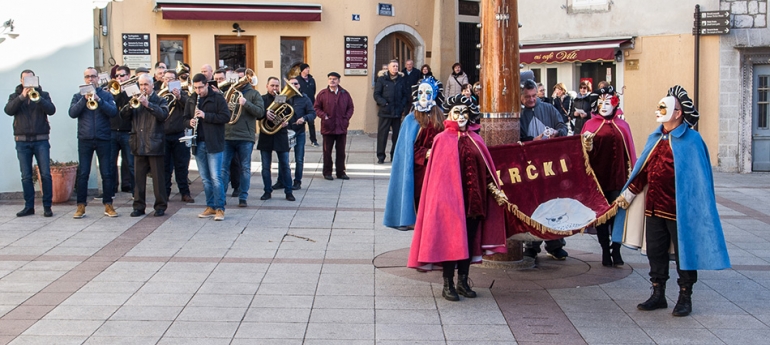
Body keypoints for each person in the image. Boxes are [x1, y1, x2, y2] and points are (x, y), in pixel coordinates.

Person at [614, 86, 730, 317]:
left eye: (664, 107)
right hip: (654, 208)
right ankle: (658, 294)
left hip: (681, 212)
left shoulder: (692, 140)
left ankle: (685, 296)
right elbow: (645, 171)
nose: (659, 111)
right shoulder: (655, 137)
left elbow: (698, 180)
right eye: (658, 107)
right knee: (655, 252)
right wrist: (628, 194)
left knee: (685, 253)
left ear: (678, 113)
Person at [407, 95, 507, 301]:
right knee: (451, 243)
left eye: (465, 112)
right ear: (450, 114)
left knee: (469, 243)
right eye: (457, 112)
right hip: (449, 205)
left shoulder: (476, 139)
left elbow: (485, 171)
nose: (461, 116)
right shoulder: (441, 140)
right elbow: (437, 177)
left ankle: (463, 281)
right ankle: (448, 284)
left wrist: (495, 191)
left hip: (474, 203)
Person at [581, 85, 636, 267]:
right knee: (602, 216)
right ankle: (605, 250)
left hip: (619, 178)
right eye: (600, 102)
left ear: (615, 104)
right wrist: (586, 146)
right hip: (599, 179)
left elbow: (631, 152)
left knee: (619, 215)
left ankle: (616, 249)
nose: (603, 106)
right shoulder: (589, 125)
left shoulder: (623, 126)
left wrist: (634, 175)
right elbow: (582, 154)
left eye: (607, 102)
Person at [384, 76, 445, 230]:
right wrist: (425, 153)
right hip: (418, 167)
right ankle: (410, 218)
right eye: (421, 92)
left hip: (438, 165)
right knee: (417, 193)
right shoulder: (411, 119)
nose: (424, 95)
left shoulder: (441, 117)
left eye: (428, 92)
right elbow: (406, 148)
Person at [519, 79, 569, 259]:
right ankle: (532, 244)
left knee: (553, 203)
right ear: (521, 96)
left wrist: (556, 133)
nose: (532, 100)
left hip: (551, 164)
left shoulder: (548, 108)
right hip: (531, 167)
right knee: (533, 205)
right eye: (527, 97)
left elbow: (563, 127)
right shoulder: (518, 114)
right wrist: (533, 142)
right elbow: (516, 140)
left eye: (534, 96)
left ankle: (555, 243)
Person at [68, 67, 119, 218]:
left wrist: (99, 100)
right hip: (85, 139)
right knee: (83, 173)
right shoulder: (77, 96)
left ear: (98, 78)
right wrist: (84, 100)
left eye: (93, 76)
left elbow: (113, 112)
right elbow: (72, 113)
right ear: (84, 79)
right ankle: (81, 206)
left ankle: (108, 205)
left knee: (107, 173)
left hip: (104, 138)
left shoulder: (106, 95)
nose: (90, 79)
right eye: (87, 77)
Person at [5, 69, 56, 217]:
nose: (28, 82)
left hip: (41, 140)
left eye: (31, 79)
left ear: (36, 80)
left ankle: (47, 206)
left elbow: (52, 110)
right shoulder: (15, 96)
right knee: (26, 176)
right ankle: (29, 206)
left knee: (45, 174)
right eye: (25, 79)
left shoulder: (43, 95)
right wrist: (22, 96)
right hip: (22, 141)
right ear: (21, 81)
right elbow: (8, 110)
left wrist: (39, 98)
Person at [121, 74, 169, 217]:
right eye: (141, 85)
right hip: (138, 143)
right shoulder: (134, 99)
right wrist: (130, 105)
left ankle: (160, 206)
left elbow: (163, 115)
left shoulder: (160, 100)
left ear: (152, 85)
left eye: (146, 85)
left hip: (154, 143)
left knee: (158, 179)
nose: (143, 88)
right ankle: (138, 206)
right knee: (138, 179)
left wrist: (148, 105)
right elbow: (123, 116)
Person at [187, 73, 231, 221]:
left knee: (216, 177)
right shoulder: (192, 98)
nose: (198, 91)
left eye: (200, 87)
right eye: (196, 88)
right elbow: (184, 118)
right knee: (205, 179)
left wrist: (206, 116)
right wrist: (189, 122)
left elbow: (226, 117)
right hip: (198, 142)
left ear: (206, 85)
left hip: (214, 143)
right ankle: (210, 206)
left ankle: (220, 208)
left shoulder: (217, 98)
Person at [222, 72, 264, 207]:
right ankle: (221, 196)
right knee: (223, 168)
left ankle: (243, 197)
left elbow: (260, 113)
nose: (241, 80)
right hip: (227, 135)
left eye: (243, 77)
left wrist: (246, 104)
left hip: (245, 137)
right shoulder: (229, 92)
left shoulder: (254, 94)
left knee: (245, 168)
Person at [160, 69, 194, 203]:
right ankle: (165, 193)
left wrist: (179, 96)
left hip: (180, 134)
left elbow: (189, 107)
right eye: (166, 78)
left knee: (182, 166)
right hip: (163, 135)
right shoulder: (159, 94)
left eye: (171, 79)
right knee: (165, 167)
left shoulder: (184, 93)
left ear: (176, 81)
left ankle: (185, 192)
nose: (168, 81)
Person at [259, 77, 294, 201]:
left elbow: (290, 115)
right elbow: (257, 114)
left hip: (280, 136)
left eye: (277, 86)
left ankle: (289, 191)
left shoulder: (282, 98)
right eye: (272, 85)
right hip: (266, 136)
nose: (274, 88)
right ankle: (267, 191)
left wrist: (285, 123)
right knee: (265, 167)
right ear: (267, 86)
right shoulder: (262, 99)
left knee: (285, 165)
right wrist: (265, 114)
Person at [315, 72, 354, 180]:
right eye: (330, 79)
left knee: (341, 152)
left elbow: (350, 107)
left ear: (338, 81)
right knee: (327, 151)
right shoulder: (322, 94)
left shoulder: (345, 94)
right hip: (328, 127)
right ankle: (327, 172)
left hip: (341, 127)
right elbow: (316, 108)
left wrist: (346, 118)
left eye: (334, 79)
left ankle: (341, 172)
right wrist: (324, 116)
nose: (332, 81)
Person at [280, 77, 316, 191]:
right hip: (285, 131)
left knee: (299, 158)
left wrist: (304, 118)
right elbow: (275, 110)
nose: (294, 85)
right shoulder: (282, 96)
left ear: (299, 85)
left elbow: (312, 113)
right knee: (283, 158)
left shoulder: (305, 98)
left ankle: (297, 181)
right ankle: (281, 181)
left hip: (299, 131)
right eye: (291, 84)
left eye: (296, 83)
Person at [373, 59, 409, 164]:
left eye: (397, 66)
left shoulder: (402, 80)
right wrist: (384, 103)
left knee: (396, 136)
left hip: (397, 112)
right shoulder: (382, 79)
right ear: (388, 68)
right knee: (382, 136)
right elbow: (376, 94)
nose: (395, 68)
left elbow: (405, 95)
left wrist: (402, 105)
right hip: (385, 112)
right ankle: (381, 156)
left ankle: (394, 156)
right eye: (393, 66)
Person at [110, 65, 134, 196]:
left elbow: (130, 106)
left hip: (127, 130)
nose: (119, 78)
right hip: (112, 130)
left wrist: (124, 91)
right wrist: (118, 91)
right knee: (111, 162)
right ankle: (112, 187)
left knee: (129, 162)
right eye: (117, 76)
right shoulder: (112, 90)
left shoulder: (131, 90)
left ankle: (128, 185)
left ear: (128, 76)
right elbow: (113, 104)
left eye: (122, 75)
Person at [295, 63, 319, 147]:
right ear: (302, 70)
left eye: (308, 68)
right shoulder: (297, 80)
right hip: (301, 104)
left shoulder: (312, 79)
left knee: (311, 122)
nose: (308, 70)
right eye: (306, 69)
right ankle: (297, 139)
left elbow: (314, 90)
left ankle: (313, 140)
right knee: (299, 122)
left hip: (310, 103)